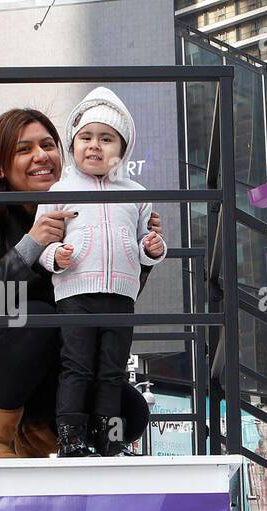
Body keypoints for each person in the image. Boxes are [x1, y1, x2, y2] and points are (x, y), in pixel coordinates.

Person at [0, 107, 162, 458]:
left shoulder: (91, 207)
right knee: (37, 317)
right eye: (24, 149)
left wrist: (134, 247)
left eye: (48, 145)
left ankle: (34, 435)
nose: (41, 156)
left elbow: (108, 300)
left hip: (54, 363)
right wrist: (31, 246)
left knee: (129, 411)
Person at [34, 87, 166, 457]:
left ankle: (110, 440)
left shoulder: (137, 193)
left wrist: (153, 249)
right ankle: (71, 439)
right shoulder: (60, 189)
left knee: (113, 372)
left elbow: (146, 243)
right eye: (86, 138)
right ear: (73, 143)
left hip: (122, 296)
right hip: (74, 294)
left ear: (122, 150)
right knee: (76, 368)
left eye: (107, 139)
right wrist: (55, 257)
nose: (95, 146)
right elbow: (43, 245)